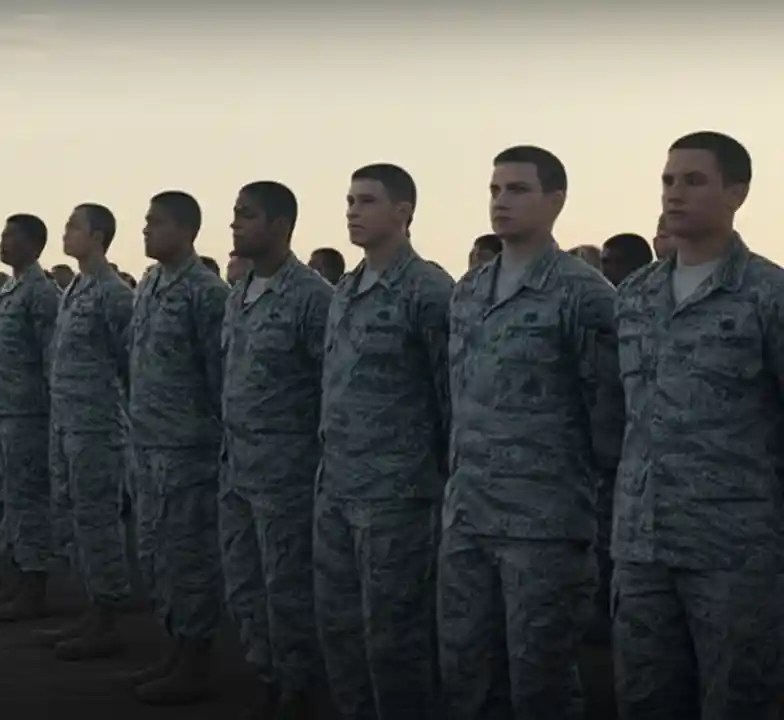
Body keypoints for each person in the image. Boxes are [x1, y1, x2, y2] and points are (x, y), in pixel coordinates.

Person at [439, 146, 622, 720]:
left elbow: (608, 415)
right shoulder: (469, 291)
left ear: (555, 200)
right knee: (467, 672)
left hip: (543, 526)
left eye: (517, 189)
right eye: (495, 190)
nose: (501, 201)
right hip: (469, 517)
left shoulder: (584, 295)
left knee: (540, 682)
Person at [613, 131, 784, 719]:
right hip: (642, 547)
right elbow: (617, 415)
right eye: (668, 181)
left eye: (693, 181)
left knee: (737, 700)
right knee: (645, 699)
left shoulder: (767, 294)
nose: (675, 194)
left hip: (734, 550)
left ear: (736, 193)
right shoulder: (634, 296)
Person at [316, 164, 453, 720]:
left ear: (403, 212)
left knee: (395, 638)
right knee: (340, 629)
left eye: (367, 201)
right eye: (349, 200)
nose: (352, 210)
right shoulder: (346, 287)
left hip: (398, 495)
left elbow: (451, 395)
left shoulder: (428, 290)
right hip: (338, 488)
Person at [222, 181, 333, 718]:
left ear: (280, 226)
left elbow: (330, 388)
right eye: (235, 214)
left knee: (288, 588)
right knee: (246, 585)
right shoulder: (240, 293)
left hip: (287, 475)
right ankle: (265, 675)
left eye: (246, 216)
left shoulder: (311, 298)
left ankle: (297, 688)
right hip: (238, 468)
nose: (234, 224)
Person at [124, 190, 229, 704]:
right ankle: (173, 648)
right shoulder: (148, 285)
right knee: (158, 556)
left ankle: (197, 661)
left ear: (186, 231)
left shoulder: (205, 293)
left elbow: (220, 377)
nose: (145, 230)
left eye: (155, 222)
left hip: (189, 452)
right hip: (147, 445)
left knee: (190, 558)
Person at [44, 202, 136, 662]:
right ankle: (92, 609)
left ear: (98, 236)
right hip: (69, 422)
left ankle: (109, 618)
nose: (66, 233)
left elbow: (130, 364)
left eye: (73, 227)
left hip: (98, 427)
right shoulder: (75, 288)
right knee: (78, 518)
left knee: (99, 521)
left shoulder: (113, 293)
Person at [0, 215, 61, 620]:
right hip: (4, 410)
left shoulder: (40, 292)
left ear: (34, 244)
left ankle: (34, 588)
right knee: (8, 497)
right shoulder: (9, 289)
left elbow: (50, 357)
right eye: (2, 235)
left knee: (29, 500)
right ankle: (15, 581)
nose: (3, 242)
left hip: (29, 413)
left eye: (11, 236)